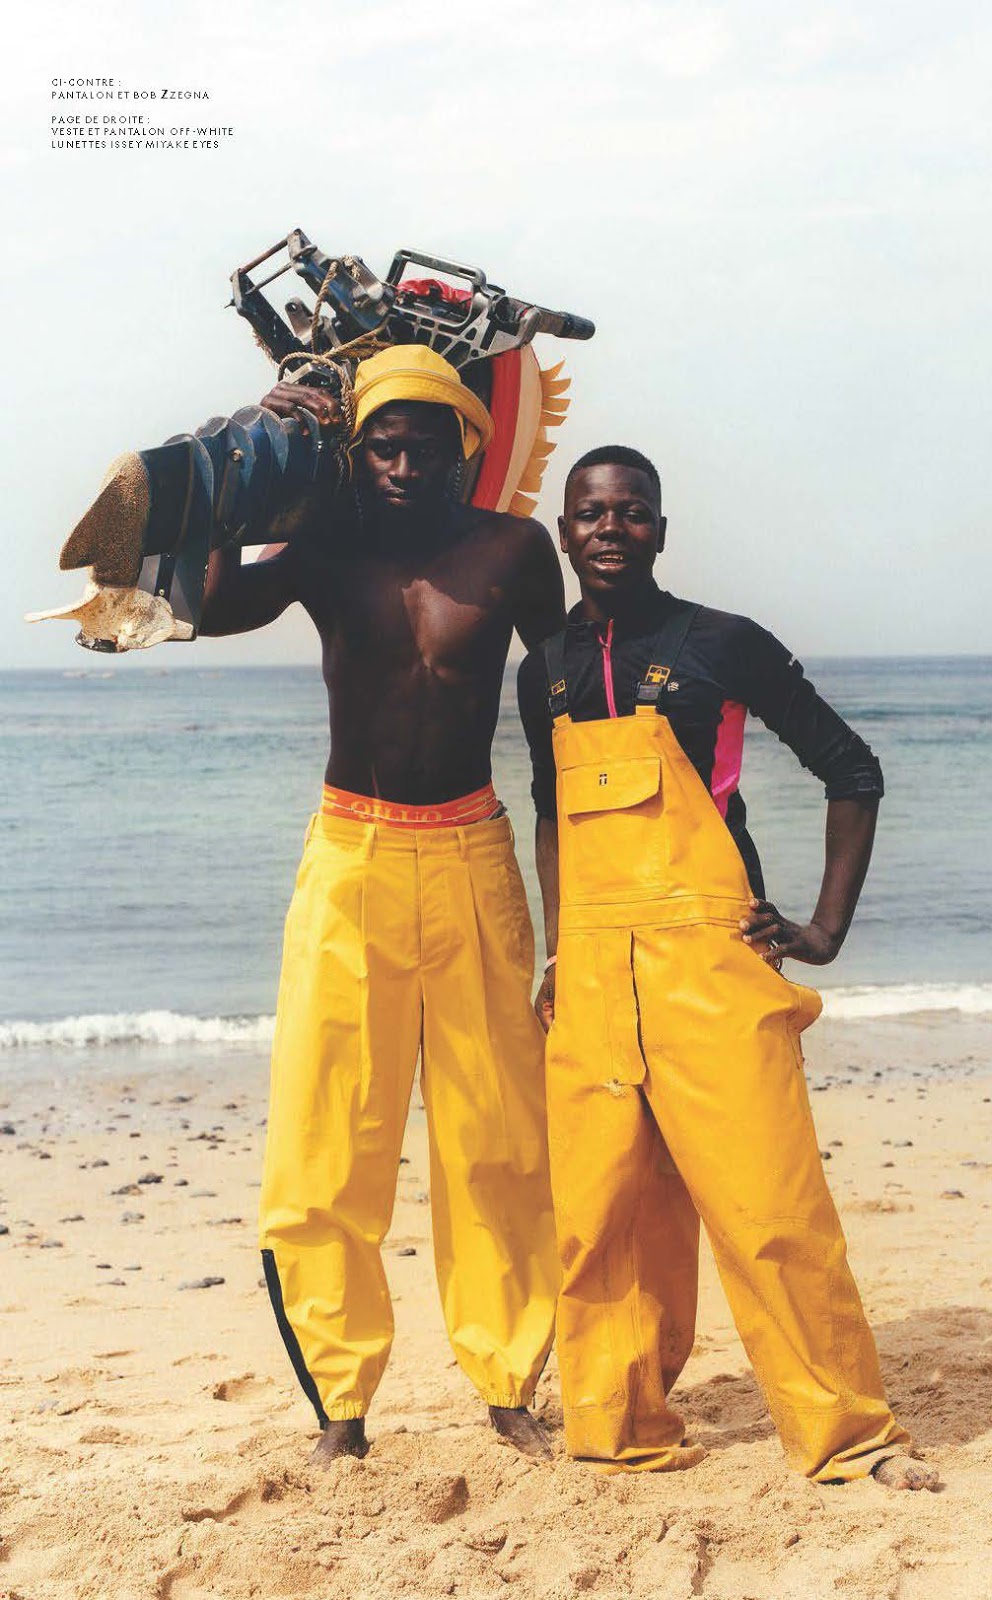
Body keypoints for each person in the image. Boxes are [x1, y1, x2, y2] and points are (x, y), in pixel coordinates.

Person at [517, 445, 937, 1489]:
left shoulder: (724, 644)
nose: (609, 528)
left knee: (769, 1207)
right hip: (597, 974)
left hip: (712, 955)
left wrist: (823, 929)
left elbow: (852, 770)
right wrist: (561, 944)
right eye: (589, 513)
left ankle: (848, 1435)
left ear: (661, 528)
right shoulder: (546, 671)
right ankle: (620, 1427)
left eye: (632, 511)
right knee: (601, 1215)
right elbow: (551, 815)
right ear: (565, 533)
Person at [201, 345, 565, 1465]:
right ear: (359, 451)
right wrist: (243, 455)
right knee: (326, 1137)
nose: (405, 462)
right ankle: (341, 1408)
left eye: (427, 441)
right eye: (384, 443)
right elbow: (213, 605)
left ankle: (509, 1380)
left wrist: (578, 910)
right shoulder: (326, 542)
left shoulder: (513, 550)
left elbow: (563, 727)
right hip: (350, 857)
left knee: (497, 1137)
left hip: (475, 853)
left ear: (471, 445)